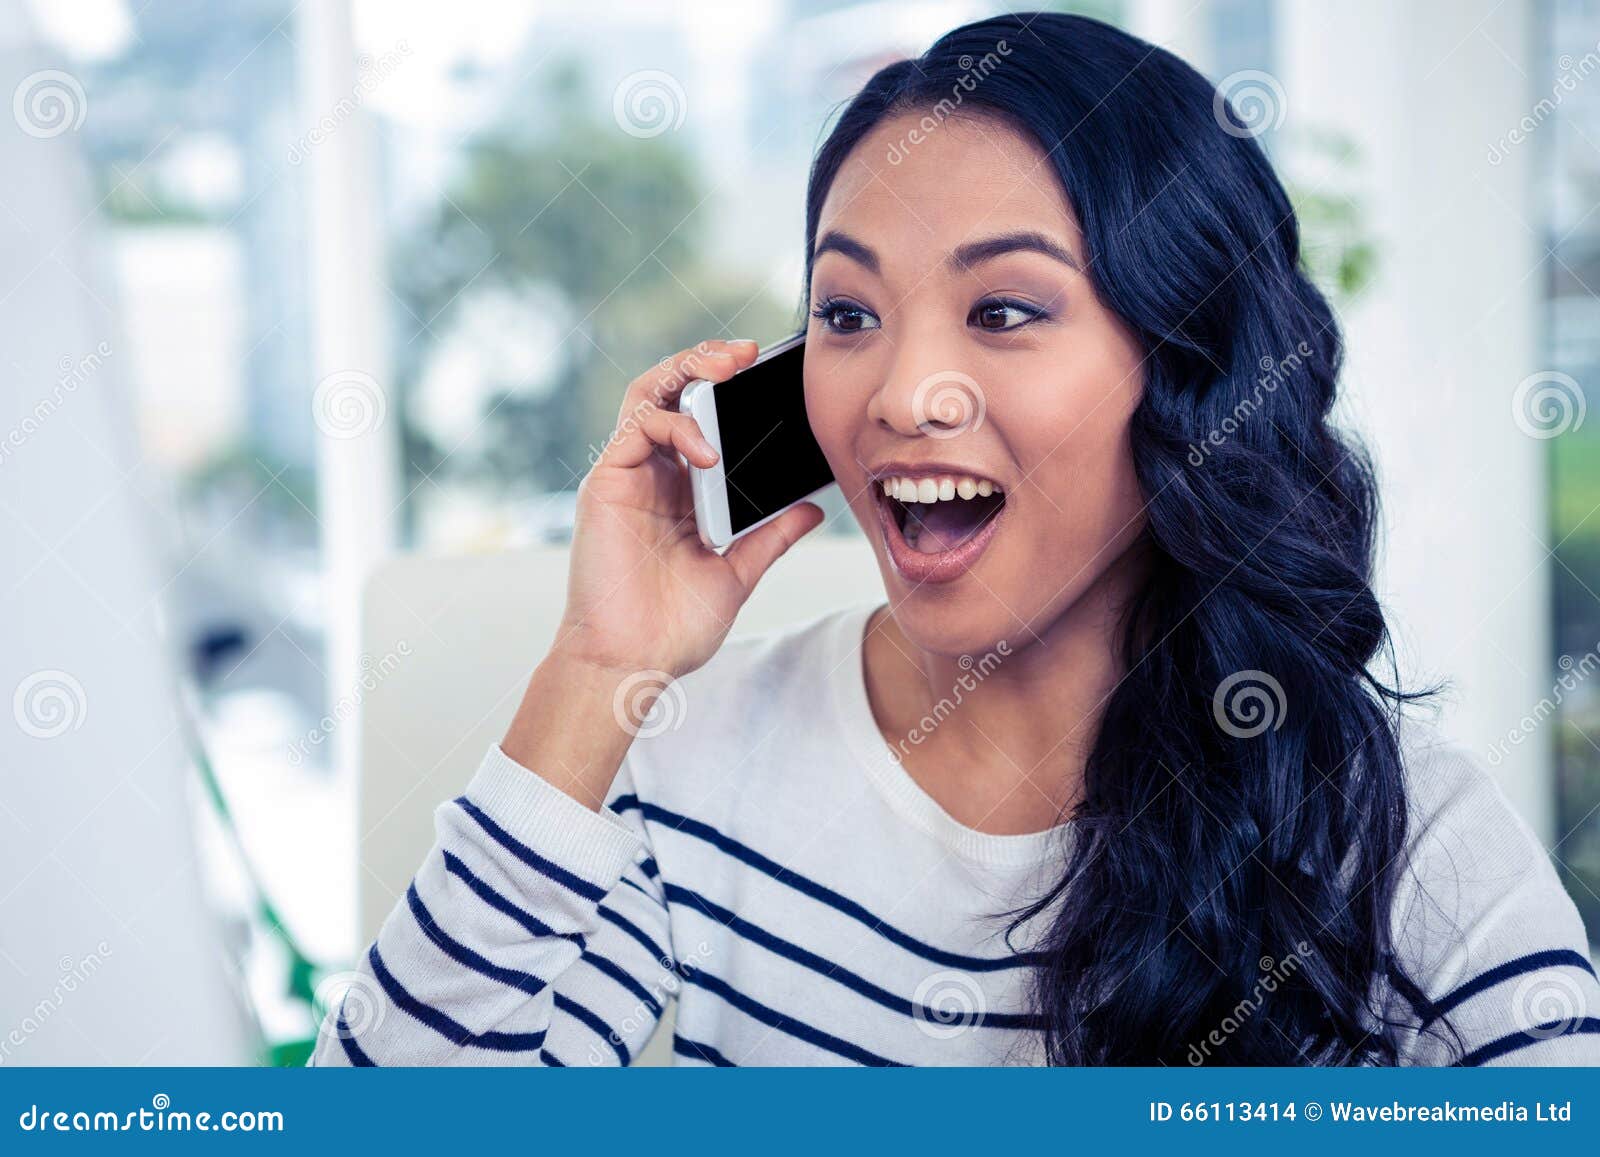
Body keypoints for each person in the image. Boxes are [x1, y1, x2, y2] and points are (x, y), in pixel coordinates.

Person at [311, 11, 1599, 1066]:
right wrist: (596, 672)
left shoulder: (1400, 839)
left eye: (1003, 310)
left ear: (1186, 366)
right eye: (847, 313)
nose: (900, 394)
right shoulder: (689, 761)